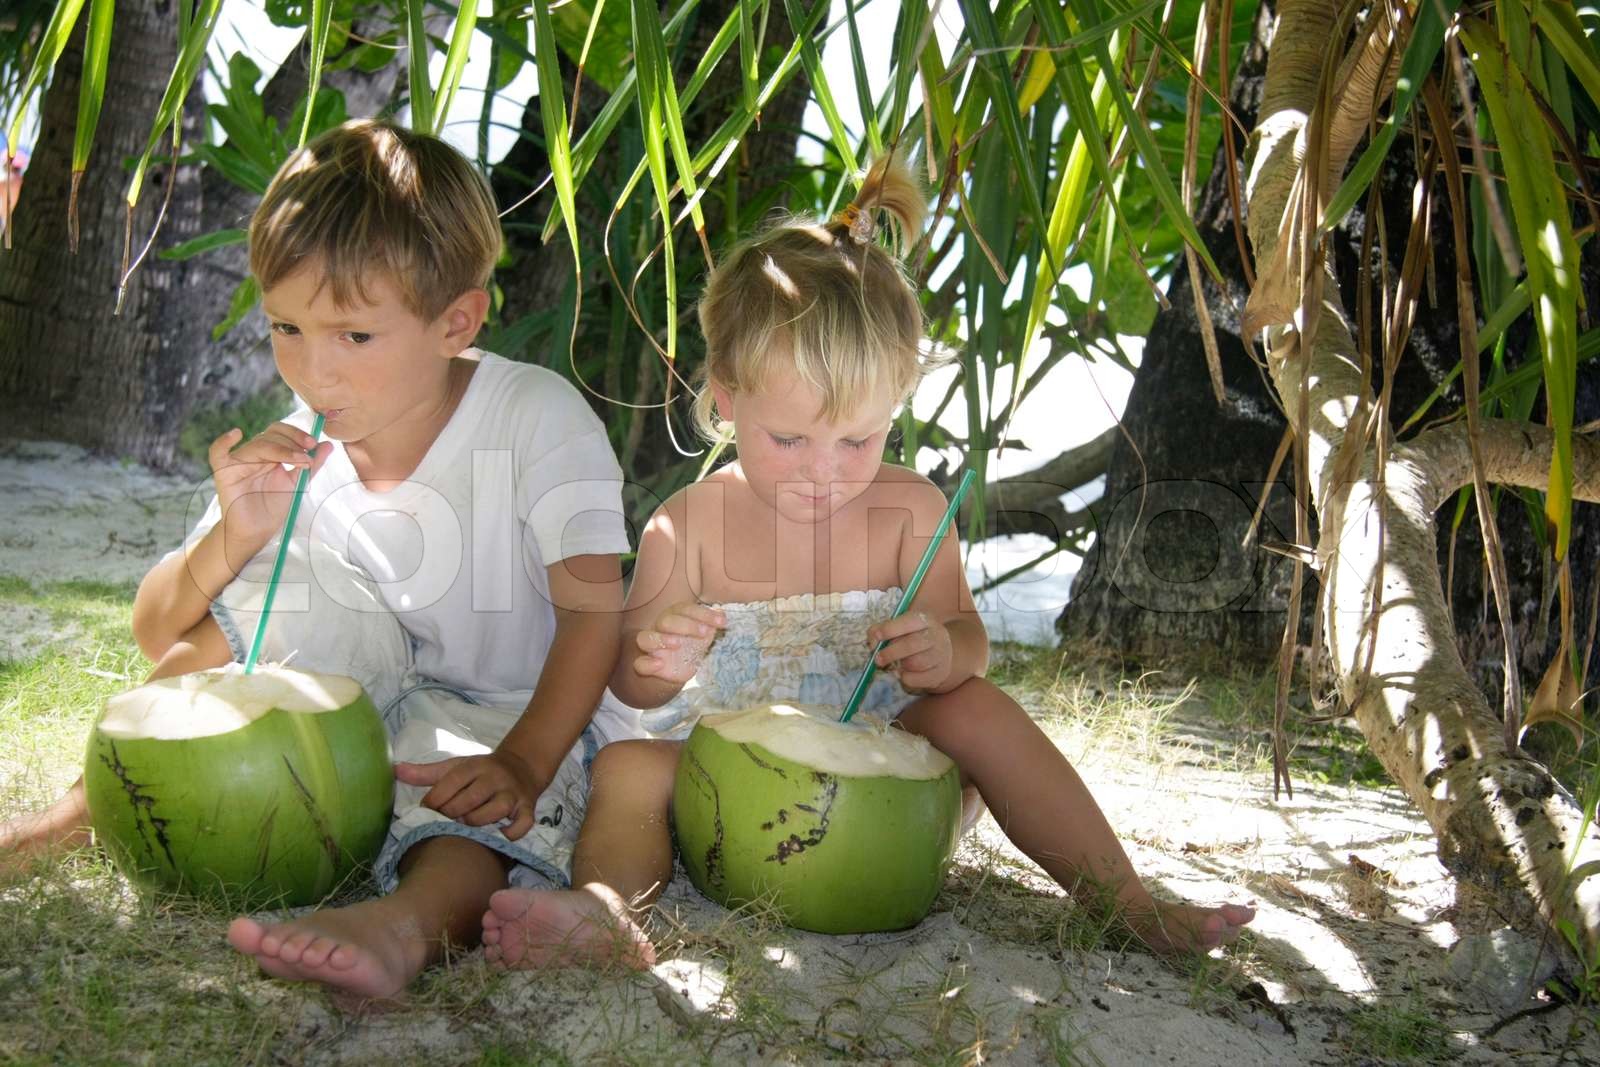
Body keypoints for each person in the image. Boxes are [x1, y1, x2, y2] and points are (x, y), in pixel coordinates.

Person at [476, 155, 1256, 970]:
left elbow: (970, 639)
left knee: (975, 709)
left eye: (858, 439)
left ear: (896, 406)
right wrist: (659, 657)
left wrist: (946, 650)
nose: (825, 469)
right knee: (633, 765)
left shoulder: (912, 508)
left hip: (895, 783)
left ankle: (1127, 902)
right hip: (731, 793)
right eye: (789, 440)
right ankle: (605, 911)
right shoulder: (688, 523)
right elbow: (632, 689)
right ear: (729, 397)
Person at [0, 120, 638, 1002]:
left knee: (469, 809)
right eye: (286, 326)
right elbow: (160, 633)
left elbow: (592, 611)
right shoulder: (302, 443)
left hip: (515, 710)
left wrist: (526, 761)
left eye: (354, 337)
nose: (310, 368)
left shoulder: (535, 416)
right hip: (354, 714)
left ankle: (397, 931)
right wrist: (235, 532)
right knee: (285, 586)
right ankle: (72, 817)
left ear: (457, 321)